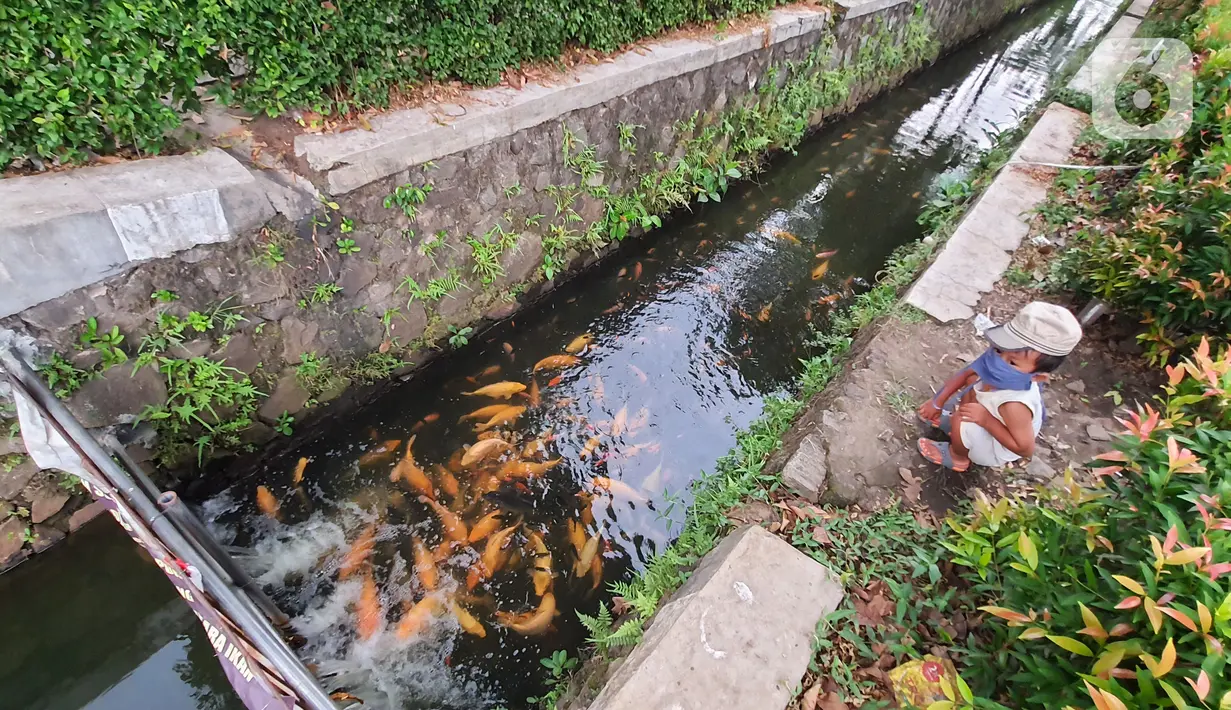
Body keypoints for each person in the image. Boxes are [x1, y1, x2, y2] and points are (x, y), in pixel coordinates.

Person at [916, 301, 1082, 472]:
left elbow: (1025, 449)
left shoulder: (1014, 406)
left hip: (998, 445)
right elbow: (967, 372)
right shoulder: (997, 361)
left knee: (962, 418)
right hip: (990, 415)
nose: (997, 360)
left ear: (1037, 377)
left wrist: (987, 420)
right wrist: (937, 402)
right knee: (974, 379)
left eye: (1012, 362)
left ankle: (958, 457)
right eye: (999, 350)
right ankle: (958, 427)